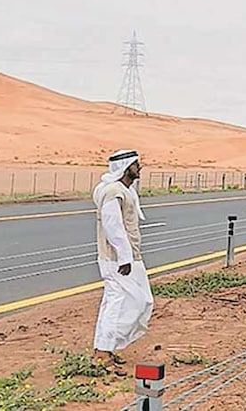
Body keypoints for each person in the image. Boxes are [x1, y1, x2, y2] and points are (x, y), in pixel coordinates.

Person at [91, 150, 154, 371]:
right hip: (118, 260)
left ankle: (106, 348)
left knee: (131, 301)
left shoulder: (124, 190)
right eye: (136, 164)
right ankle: (103, 351)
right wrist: (124, 259)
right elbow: (113, 228)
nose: (140, 167)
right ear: (126, 168)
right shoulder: (113, 192)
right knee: (126, 302)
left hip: (128, 258)